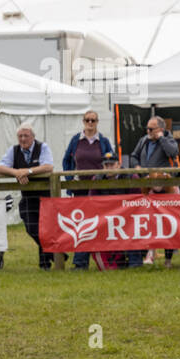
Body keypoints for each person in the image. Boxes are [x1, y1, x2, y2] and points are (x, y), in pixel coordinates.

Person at [0, 125, 55, 268]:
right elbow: (0, 168)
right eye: (20, 136)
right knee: (31, 229)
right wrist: (17, 173)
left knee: (44, 230)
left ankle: (44, 263)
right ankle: (55, 254)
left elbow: (48, 166)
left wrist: (27, 171)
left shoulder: (43, 147)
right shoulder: (14, 150)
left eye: (26, 136)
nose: (23, 139)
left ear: (33, 137)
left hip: (45, 196)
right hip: (27, 197)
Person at [63, 112, 115, 270]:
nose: (90, 123)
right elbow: (66, 160)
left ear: (97, 122)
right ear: (83, 122)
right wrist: (70, 181)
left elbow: (111, 161)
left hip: (98, 189)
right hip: (80, 189)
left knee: (99, 225)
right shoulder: (75, 140)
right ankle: (80, 262)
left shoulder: (104, 141)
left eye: (93, 120)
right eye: (87, 120)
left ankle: (106, 260)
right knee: (81, 225)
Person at [129, 116, 180, 266]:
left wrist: (162, 139)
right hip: (148, 187)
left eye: (151, 129)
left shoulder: (168, 139)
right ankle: (149, 254)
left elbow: (173, 152)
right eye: (147, 128)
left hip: (166, 188)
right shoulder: (144, 140)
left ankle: (168, 259)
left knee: (167, 223)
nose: (148, 131)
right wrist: (137, 166)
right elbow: (133, 156)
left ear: (160, 130)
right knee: (150, 221)